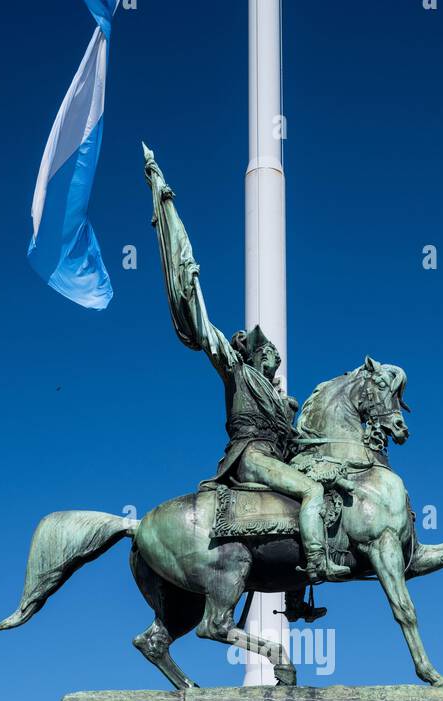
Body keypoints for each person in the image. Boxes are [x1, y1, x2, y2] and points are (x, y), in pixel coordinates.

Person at [144, 145, 351, 585]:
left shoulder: (279, 400)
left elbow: (298, 440)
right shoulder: (237, 372)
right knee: (311, 492)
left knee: (324, 490)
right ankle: (315, 564)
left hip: (276, 455)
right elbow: (204, 331)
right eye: (271, 355)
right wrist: (187, 273)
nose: (277, 362)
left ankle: (295, 590)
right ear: (256, 355)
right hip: (250, 457)